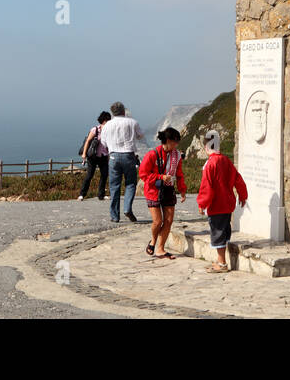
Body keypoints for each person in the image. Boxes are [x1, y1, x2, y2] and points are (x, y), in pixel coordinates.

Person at [195, 130, 247, 274]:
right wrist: (242, 195)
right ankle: (220, 260)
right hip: (228, 203)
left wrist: (202, 203)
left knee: (217, 233)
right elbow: (238, 178)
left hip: (216, 205)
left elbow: (207, 188)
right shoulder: (226, 160)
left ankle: (222, 263)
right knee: (224, 231)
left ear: (206, 147)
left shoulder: (210, 164)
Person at [139, 127, 185, 258]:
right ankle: (153, 240)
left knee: (169, 220)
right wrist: (160, 177)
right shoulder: (153, 154)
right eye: (175, 141)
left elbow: (179, 174)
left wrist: (182, 190)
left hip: (169, 189)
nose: (177, 145)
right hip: (154, 190)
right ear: (168, 140)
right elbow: (143, 174)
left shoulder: (177, 155)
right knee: (157, 221)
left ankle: (160, 248)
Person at [100, 101, 142, 223]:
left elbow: (103, 142)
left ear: (112, 112)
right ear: (123, 111)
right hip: (129, 155)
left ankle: (114, 216)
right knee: (130, 184)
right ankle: (127, 208)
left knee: (114, 186)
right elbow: (140, 135)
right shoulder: (132, 122)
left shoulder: (107, 125)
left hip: (113, 156)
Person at [77, 111, 111, 201]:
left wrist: (108, 156)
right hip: (93, 156)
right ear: (104, 121)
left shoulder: (109, 131)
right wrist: (84, 154)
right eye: (108, 120)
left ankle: (101, 195)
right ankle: (82, 194)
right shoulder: (95, 129)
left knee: (104, 175)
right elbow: (88, 141)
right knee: (89, 175)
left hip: (103, 156)